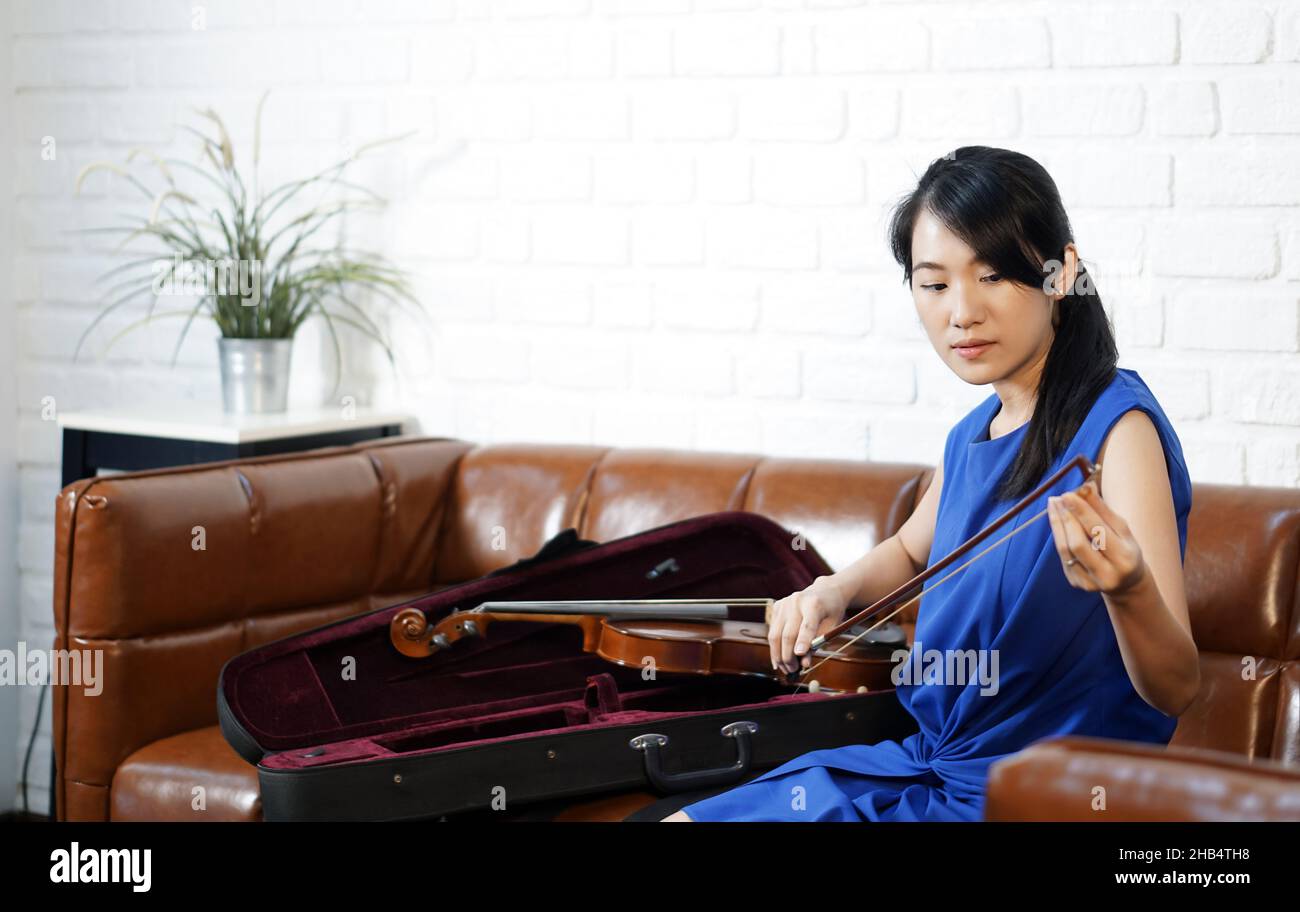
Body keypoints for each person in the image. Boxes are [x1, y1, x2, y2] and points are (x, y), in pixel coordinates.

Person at [661, 145, 1199, 822]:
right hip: (928, 762)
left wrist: (1129, 589)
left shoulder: (1119, 431)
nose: (962, 312)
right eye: (935, 284)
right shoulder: (972, 434)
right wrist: (832, 590)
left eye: (994, 276)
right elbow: (914, 553)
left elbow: (1176, 688)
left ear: (1060, 275)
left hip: (1038, 799)